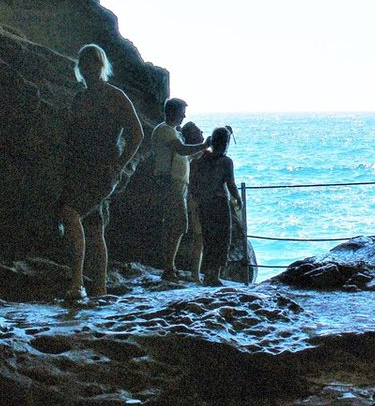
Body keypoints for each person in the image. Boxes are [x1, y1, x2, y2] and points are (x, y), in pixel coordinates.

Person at [58, 44, 144, 300]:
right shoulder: (80, 98)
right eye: (84, 64)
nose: (89, 68)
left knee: (71, 214)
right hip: (79, 169)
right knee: (94, 227)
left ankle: (77, 284)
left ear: (102, 65)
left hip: (103, 170)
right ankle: (101, 288)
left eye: (94, 63)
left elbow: (137, 134)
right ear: (80, 68)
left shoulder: (115, 96)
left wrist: (120, 165)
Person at [148, 98, 209, 282]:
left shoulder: (172, 132)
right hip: (171, 183)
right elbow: (181, 150)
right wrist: (204, 145)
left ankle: (170, 266)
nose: (184, 116)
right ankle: (169, 267)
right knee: (178, 224)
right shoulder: (165, 130)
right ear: (173, 112)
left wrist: (198, 152)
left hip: (178, 184)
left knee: (174, 224)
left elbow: (184, 157)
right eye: (182, 112)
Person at [189, 126, 240, 286]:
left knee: (208, 239)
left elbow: (194, 181)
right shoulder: (226, 162)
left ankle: (207, 275)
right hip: (219, 203)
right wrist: (238, 198)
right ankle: (214, 275)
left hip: (204, 203)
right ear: (225, 144)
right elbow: (230, 183)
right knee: (222, 239)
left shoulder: (201, 159)